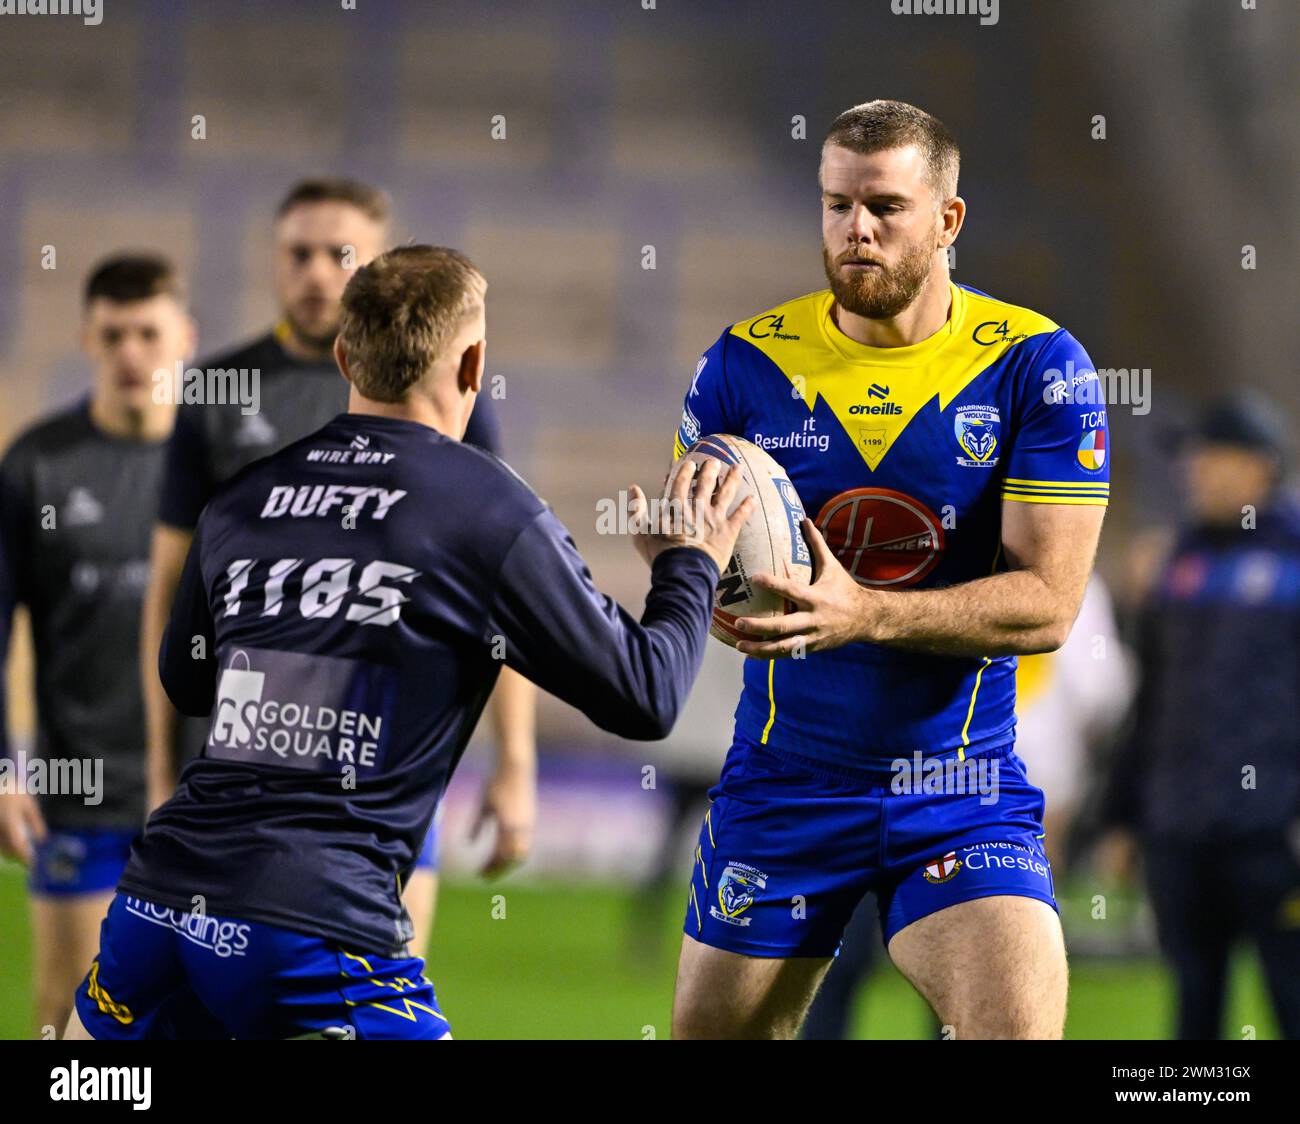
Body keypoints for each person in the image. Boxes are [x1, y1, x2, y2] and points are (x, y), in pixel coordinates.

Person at [65, 244, 752, 1040]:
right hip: (315, 931)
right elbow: (646, 695)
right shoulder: (488, 511)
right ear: (473, 365)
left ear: (344, 355)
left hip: (157, 912)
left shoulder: (243, 498)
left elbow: (185, 683)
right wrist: (689, 567)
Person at [670, 100, 1109, 1039]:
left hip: (959, 788)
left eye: (884, 207)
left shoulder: (1037, 367)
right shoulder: (743, 366)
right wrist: (692, 571)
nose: (855, 230)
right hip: (785, 782)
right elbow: (688, 536)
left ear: (948, 220)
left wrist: (863, 613)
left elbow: (1048, 607)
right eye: (836, 206)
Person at [138, 178, 535, 957]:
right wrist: (159, 770)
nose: (319, 271)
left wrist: (514, 764)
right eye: (299, 253)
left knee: (376, 990)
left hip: (386, 769)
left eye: (340, 254)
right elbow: (167, 592)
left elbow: (501, 590)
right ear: (275, 262)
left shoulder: (447, 391)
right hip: (243, 765)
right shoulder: (217, 395)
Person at [0, 255, 195, 1034]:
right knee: (67, 1015)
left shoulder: (223, 465)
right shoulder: (38, 464)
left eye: (149, 333)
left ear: (184, 336)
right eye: (113, 334)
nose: (131, 353)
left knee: (196, 1017)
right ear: (87, 336)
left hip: (200, 799)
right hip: (80, 793)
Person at [1098, 392, 1300, 1039]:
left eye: (1210, 456)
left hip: (1276, 834)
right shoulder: (1175, 565)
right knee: (1192, 1007)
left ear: (1259, 467)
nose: (1192, 470)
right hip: (1179, 829)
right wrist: (1123, 817)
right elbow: (1152, 697)